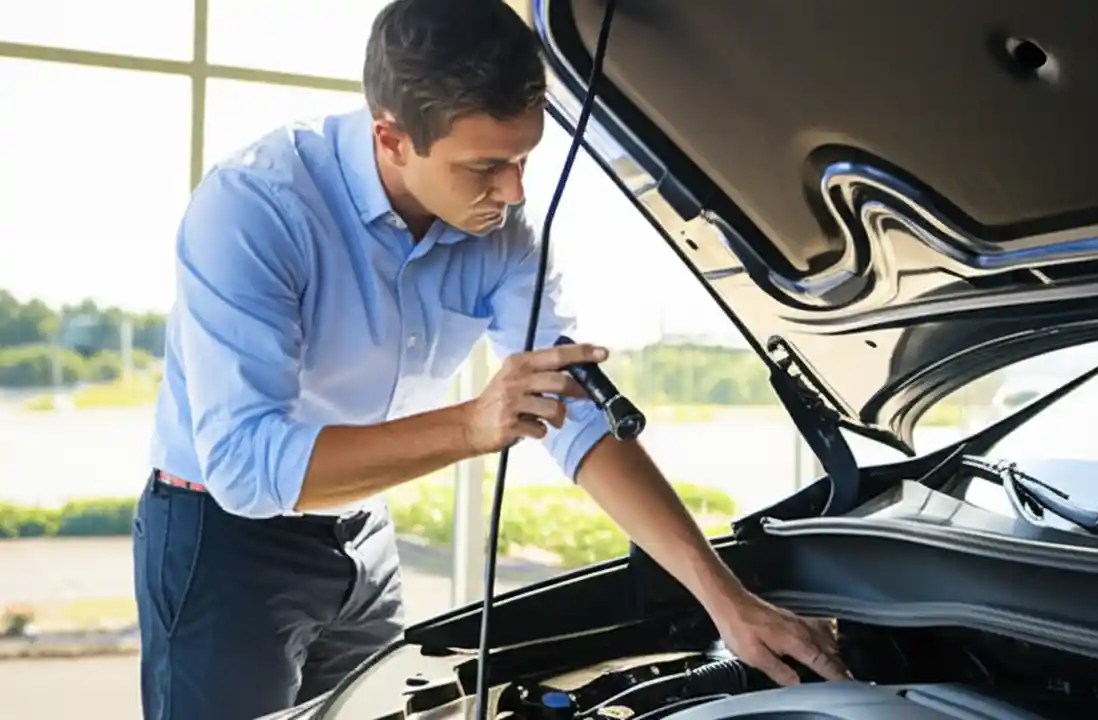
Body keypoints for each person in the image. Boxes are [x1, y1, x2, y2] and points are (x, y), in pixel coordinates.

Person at [132, 1, 849, 717]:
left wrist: (728, 601)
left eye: (523, 158)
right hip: (221, 544)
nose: (513, 191)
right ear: (391, 137)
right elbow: (246, 469)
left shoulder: (502, 230)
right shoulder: (255, 209)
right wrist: (473, 426)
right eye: (486, 166)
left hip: (364, 534)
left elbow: (571, 415)